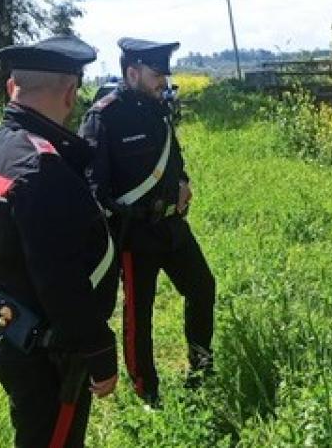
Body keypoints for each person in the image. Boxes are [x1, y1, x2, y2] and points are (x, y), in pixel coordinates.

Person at [0, 35, 118, 447]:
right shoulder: (43, 168)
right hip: (49, 355)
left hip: (10, 331)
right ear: (71, 93)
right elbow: (60, 281)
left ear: (11, 88)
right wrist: (100, 351)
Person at [79, 37, 215, 407]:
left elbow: (172, 155)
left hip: (171, 227)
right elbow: (92, 190)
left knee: (202, 287)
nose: (163, 81)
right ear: (133, 72)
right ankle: (146, 391)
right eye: (157, 74)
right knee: (140, 316)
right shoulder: (104, 117)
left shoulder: (158, 107)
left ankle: (201, 367)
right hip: (135, 236)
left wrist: (183, 180)